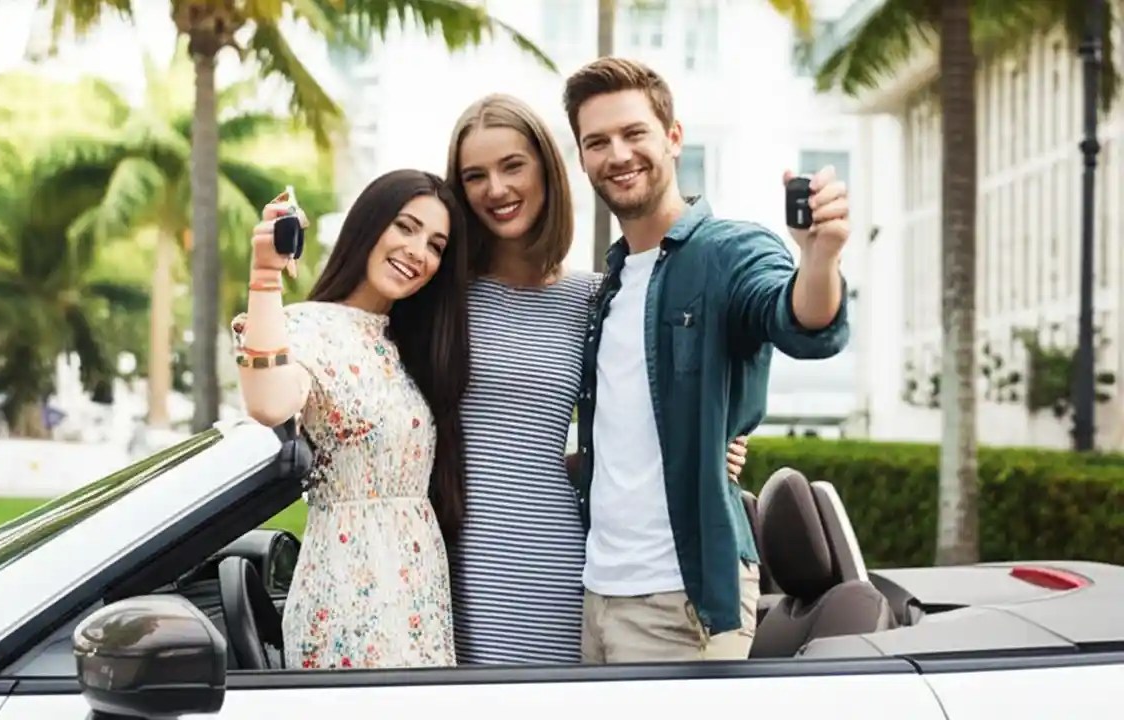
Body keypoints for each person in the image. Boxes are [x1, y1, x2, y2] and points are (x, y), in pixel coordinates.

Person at [561, 57, 852, 664]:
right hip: (595, 596)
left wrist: (819, 259)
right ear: (583, 157)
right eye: (597, 142)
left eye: (633, 133)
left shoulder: (730, 251)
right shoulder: (607, 287)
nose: (617, 154)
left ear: (672, 138)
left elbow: (798, 321)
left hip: (683, 600)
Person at [443, 93, 749, 665]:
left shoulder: (594, 298)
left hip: (563, 560)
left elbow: (651, 396)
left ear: (549, 172)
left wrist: (711, 443)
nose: (496, 189)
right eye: (474, 176)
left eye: (513, 166)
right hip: (456, 560)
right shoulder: (439, 301)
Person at [232, 169, 471, 670]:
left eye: (435, 245)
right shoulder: (308, 328)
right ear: (369, 224)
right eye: (405, 227)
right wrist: (265, 275)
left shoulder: (408, 345)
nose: (417, 252)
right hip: (346, 593)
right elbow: (270, 402)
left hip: (417, 592)